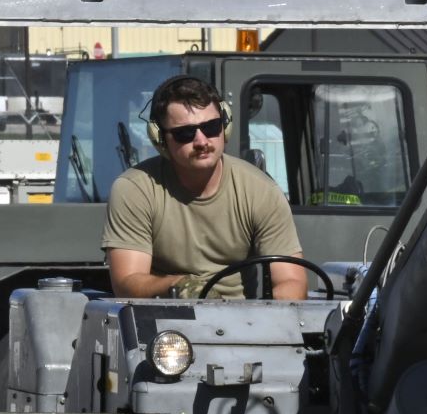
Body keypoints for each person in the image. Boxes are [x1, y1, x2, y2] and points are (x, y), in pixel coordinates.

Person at [103, 74, 308, 300]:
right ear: (160, 140)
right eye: (185, 133)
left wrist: (275, 323)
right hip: (163, 325)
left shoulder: (261, 190)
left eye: (211, 127)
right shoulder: (135, 190)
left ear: (225, 126)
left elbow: (291, 280)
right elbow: (128, 282)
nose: (201, 141)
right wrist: (179, 287)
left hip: (245, 326)